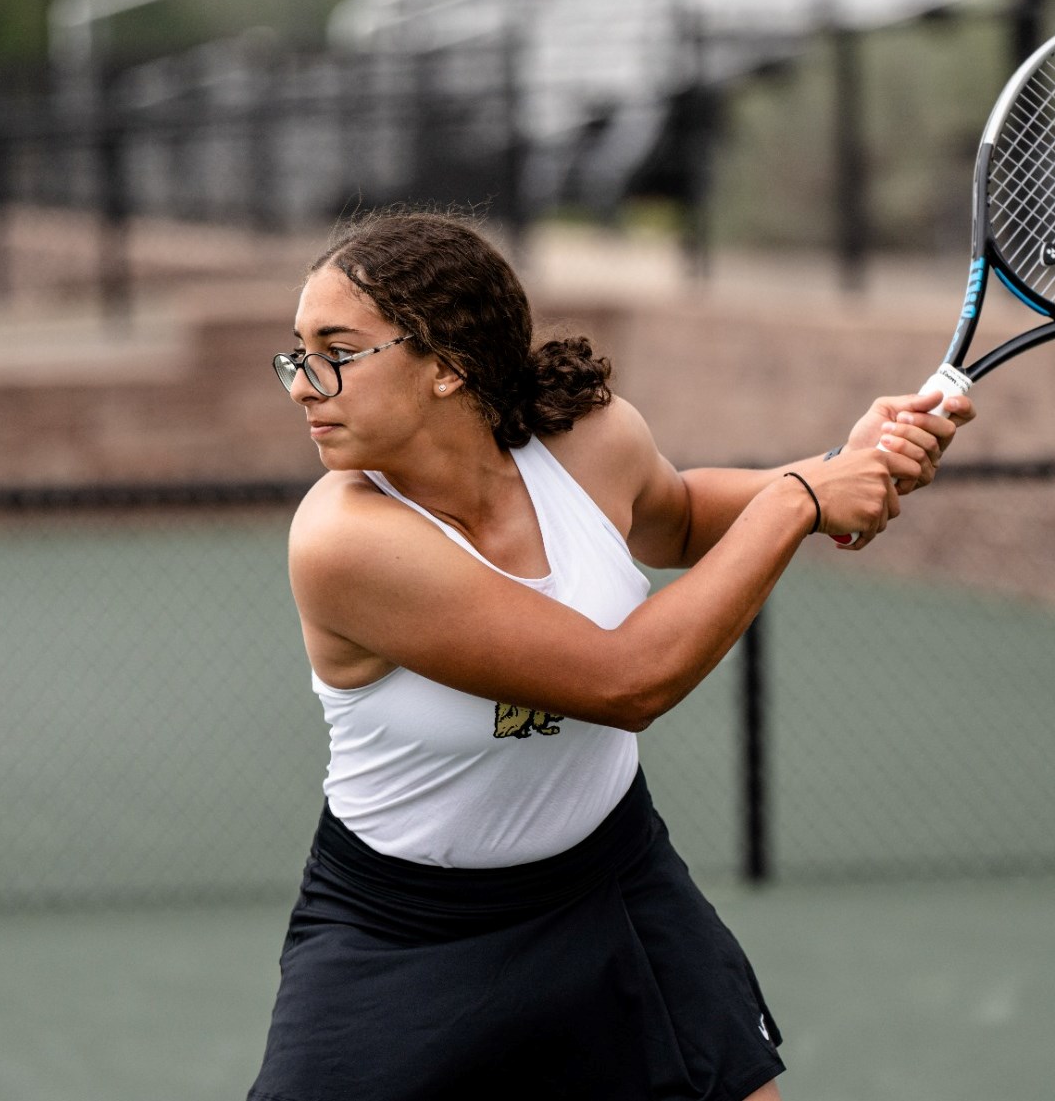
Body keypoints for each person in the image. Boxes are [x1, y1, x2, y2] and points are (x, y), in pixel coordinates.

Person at [249, 211, 973, 1101]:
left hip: (611, 880)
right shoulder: (343, 540)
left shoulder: (590, 440)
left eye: (336, 350)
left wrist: (843, 464)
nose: (301, 384)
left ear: (445, 364)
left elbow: (678, 514)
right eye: (298, 352)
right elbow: (626, 681)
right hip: (405, 929)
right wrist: (798, 502)